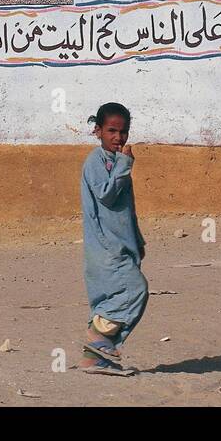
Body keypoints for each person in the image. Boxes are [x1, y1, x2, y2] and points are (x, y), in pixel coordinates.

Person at [79, 102, 147, 376]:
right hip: (106, 245)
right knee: (134, 290)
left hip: (123, 243)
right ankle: (97, 338)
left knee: (114, 297)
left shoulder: (116, 161)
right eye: (112, 131)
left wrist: (138, 240)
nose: (118, 138)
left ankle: (93, 359)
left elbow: (125, 209)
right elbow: (107, 195)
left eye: (123, 132)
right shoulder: (96, 161)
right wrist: (125, 163)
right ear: (97, 131)